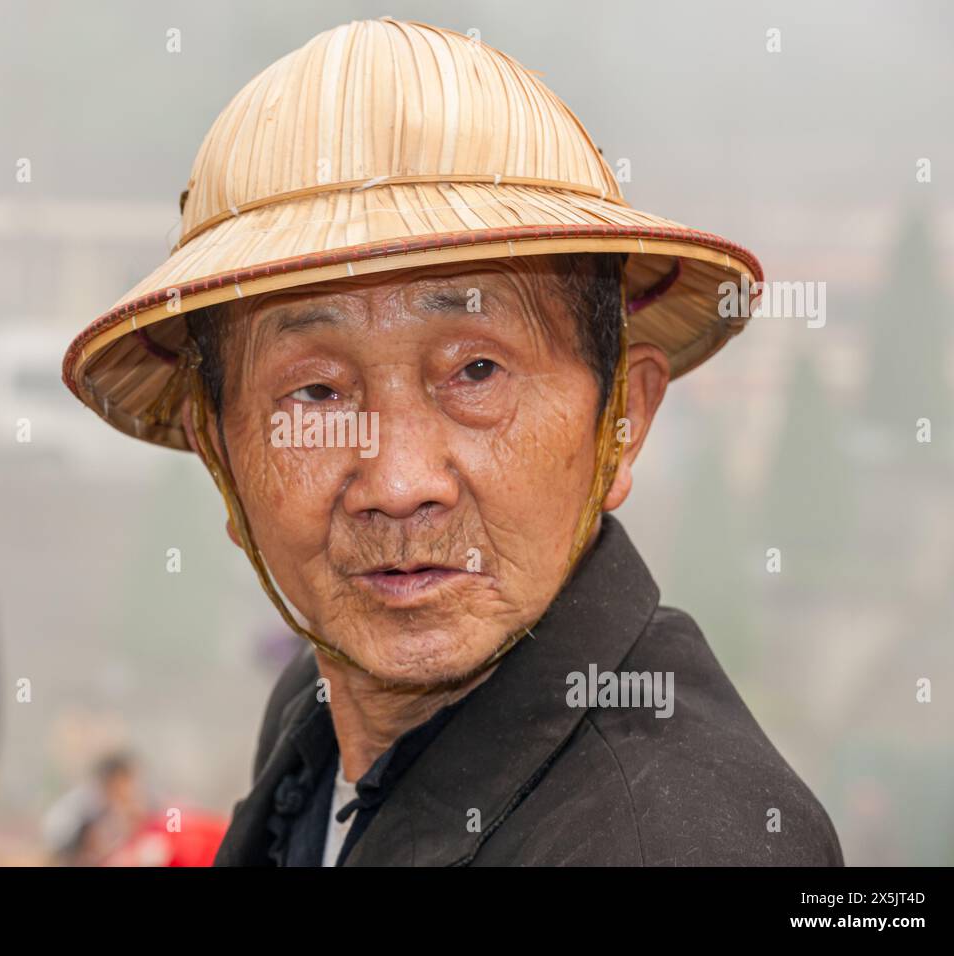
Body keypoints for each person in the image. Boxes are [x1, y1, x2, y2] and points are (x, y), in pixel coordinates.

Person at [60, 19, 843, 866]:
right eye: (317, 392)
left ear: (621, 421)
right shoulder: (319, 710)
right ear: (220, 455)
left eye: (476, 371)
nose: (398, 483)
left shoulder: (673, 839)